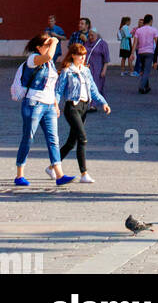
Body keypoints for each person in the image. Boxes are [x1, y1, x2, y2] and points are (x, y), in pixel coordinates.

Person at [14, 33, 76, 187]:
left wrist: (55, 104)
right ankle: (19, 174)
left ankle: (59, 175)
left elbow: (51, 85)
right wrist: (54, 40)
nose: (50, 47)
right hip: (33, 103)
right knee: (28, 137)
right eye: (47, 45)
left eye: (50, 45)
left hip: (48, 104)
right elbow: (49, 56)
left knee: (53, 139)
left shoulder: (49, 64)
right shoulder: (33, 59)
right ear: (38, 47)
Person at [55, 42, 110, 182]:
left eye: (84, 55)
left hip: (84, 107)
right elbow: (58, 91)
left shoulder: (86, 70)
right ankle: (84, 174)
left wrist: (103, 102)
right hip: (72, 107)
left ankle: (53, 166)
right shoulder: (67, 71)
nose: (83, 58)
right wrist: (55, 106)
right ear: (73, 55)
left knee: (71, 142)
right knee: (82, 138)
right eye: (80, 55)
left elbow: (93, 89)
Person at [132, 15, 158, 94]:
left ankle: (146, 86)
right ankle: (142, 86)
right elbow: (157, 42)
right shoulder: (154, 30)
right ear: (151, 21)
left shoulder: (139, 30)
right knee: (146, 71)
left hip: (141, 52)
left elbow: (135, 42)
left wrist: (132, 53)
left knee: (143, 70)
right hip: (150, 52)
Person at [85, 30, 110, 103]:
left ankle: (93, 104)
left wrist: (104, 70)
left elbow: (106, 59)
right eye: (89, 35)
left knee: (96, 85)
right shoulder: (87, 43)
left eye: (92, 35)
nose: (90, 37)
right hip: (88, 67)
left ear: (97, 35)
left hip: (98, 68)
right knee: (89, 85)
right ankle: (101, 102)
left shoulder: (103, 44)